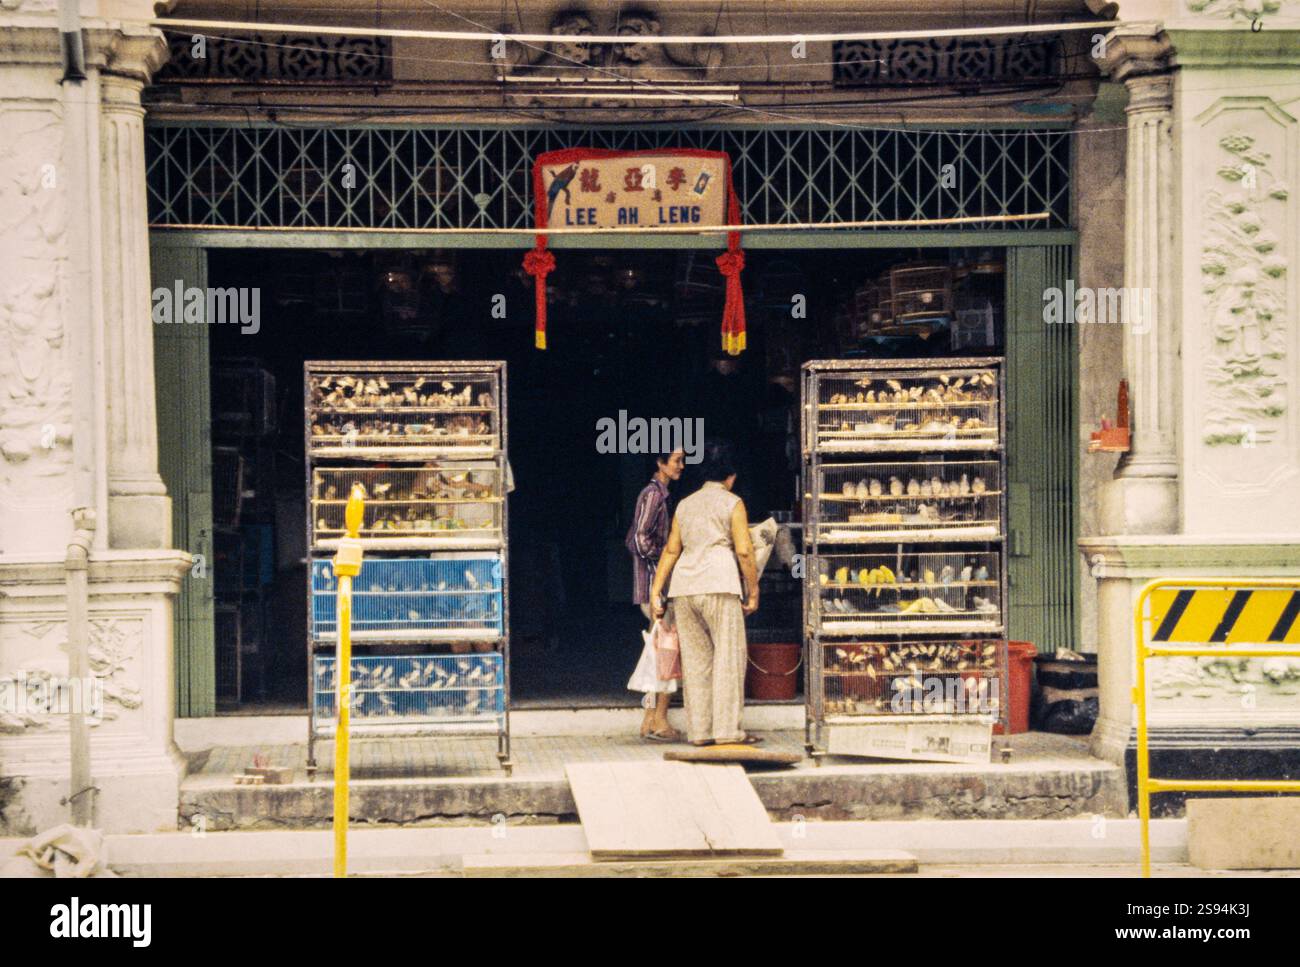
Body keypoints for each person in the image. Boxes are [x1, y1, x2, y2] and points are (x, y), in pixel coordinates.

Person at [650, 442, 761, 746]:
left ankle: (700, 732)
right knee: (728, 658)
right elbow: (744, 550)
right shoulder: (732, 503)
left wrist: (657, 588)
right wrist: (753, 590)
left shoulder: (685, 504)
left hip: (684, 588)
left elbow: (673, 549)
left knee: (697, 663)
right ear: (731, 477)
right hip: (719, 583)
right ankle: (727, 732)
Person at [625, 449, 685, 740]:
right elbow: (637, 538)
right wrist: (664, 561)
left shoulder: (662, 495)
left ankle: (650, 719)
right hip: (655, 587)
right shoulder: (654, 495)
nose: (681, 466)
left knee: (660, 651)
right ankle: (658, 720)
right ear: (660, 463)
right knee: (665, 653)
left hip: (657, 585)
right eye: (676, 461)